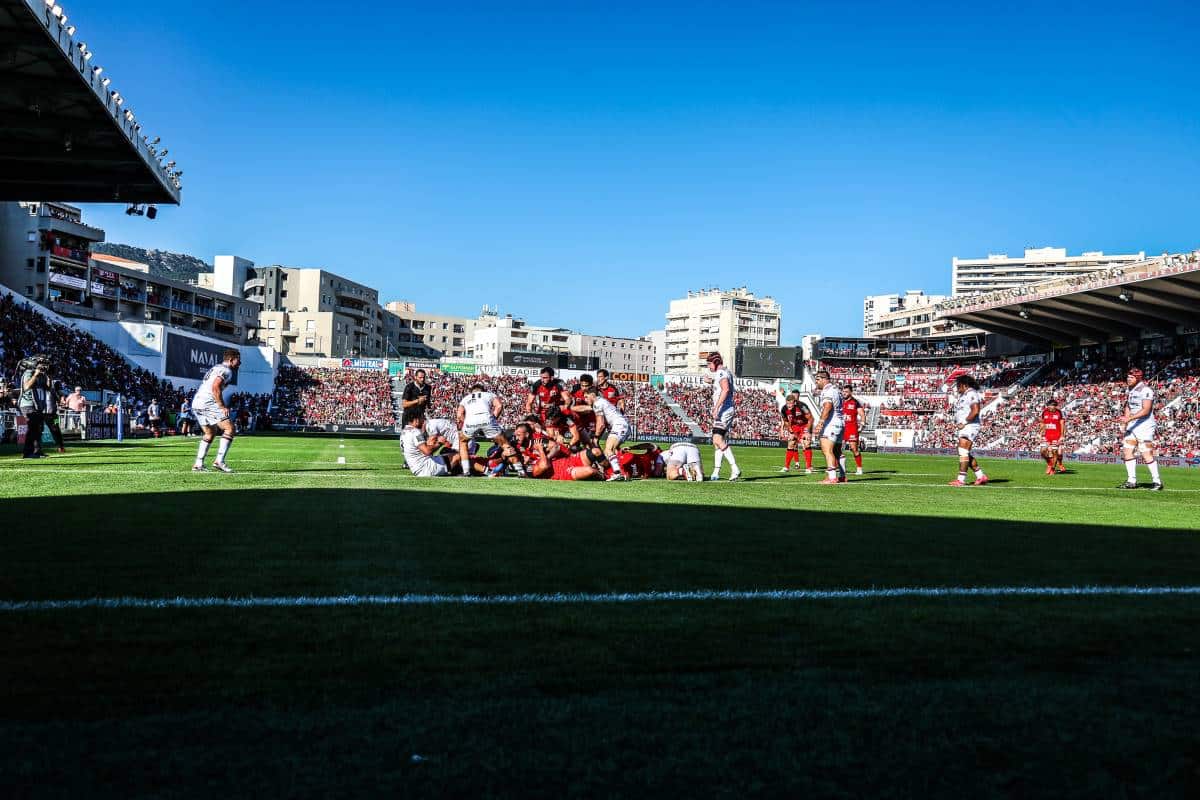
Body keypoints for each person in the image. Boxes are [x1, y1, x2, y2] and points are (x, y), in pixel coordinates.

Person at [457, 382, 526, 477]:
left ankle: (466, 471)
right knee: (505, 444)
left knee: (463, 442)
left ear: (472, 392)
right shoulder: (488, 394)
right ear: (483, 390)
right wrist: (493, 418)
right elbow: (499, 406)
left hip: (470, 421)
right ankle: (520, 470)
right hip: (487, 419)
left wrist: (467, 424)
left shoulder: (466, 398)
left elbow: (459, 414)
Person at [191, 349, 241, 473]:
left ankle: (198, 464)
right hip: (208, 402)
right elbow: (215, 387)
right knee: (230, 428)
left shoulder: (216, 367)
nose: (240, 363)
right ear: (231, 360)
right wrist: (222, 406)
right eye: (238, 360)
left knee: (210, 433)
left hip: (197, 402)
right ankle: (219, 461)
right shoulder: (226, 370)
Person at [1117, 367, 1162, 490]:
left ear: (1138, 378)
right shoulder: (1130, 389)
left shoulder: (1146, 390)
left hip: (1145, 425)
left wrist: (1129, 419)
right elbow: (1128, 406)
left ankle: (1157, 482)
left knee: (1146, 453)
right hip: (1132, 425)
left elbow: (1146, 410)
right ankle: (1131, 481)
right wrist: (1126, 421)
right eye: (1128, 377)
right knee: (1127, 451)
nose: (1128, 379)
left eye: (1131, 377)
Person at [706, 352, 740, 481]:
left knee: (717, 439)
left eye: (709, 363)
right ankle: (716, 472)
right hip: (726, 409)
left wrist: (716, 407)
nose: (709, 366)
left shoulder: (721, 373)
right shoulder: (726, 372)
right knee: (718, 442)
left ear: (715, 363)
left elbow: (725, 389)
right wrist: (711, 381)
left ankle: (735, 468)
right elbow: (722, 386)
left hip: (724, 410)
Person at [949, 374, 988, 487]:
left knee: (963, 451)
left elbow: (975, 410)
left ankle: (961, 480)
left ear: (964, 385)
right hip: (967, 426)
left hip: (970, 426)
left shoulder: (971, 393)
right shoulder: (964, 395)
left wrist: (964, 422)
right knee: (963, 452)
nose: (957, 388)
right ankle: (981, 476)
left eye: (958, 385)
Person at [585, 386, 632, 481]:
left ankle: (618, 473)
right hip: (622, 425)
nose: (585, 399)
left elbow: (601, 423)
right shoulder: (602, 401)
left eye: (586, 397)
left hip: (619, 425)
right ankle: (620, 472)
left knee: (609, 449)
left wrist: (596, 437)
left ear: (592, 395)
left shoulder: (597, 403)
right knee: (609, 451)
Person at [812, 370, 845, 485]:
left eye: (818, 379)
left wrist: (820, 423)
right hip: (840, 423)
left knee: (827, 450)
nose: (816, 382)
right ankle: (842, 476)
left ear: (825, 379)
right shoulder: (836, 390)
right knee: (837, 451)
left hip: (831, 424)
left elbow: (827, 406)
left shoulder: (828, 391)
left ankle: (832, 477)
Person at [400, 410, 457, 477]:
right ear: (416, 420)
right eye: (422, 419)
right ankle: (458, 472)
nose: (423, 421)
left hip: (417, 469)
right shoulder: (415, 432)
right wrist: (440, 443)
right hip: (427, 468)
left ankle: (450, 470)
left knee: (445, 454)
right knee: (457, 456)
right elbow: (427, 451)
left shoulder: (404, 432)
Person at [18, 355, 50, 459]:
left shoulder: (42, 375)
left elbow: (48, 388)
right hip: (27, 403)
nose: (44, 366)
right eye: (42, 363)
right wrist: (35, 375)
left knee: (39, 428)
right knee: (33, 428)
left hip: (37, 404)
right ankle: (27, 452)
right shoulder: (28, 373)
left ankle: (37, 451)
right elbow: (26, 386)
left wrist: (49, 376)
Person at [779, 393, 813, 473]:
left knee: (806, 443)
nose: (789, 406)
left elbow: (810, 418)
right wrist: (789, 428)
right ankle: (786, 467)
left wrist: (807, 431)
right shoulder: (784, 409)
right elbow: (785, 421)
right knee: (791, 443)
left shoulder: (802, 406)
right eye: (787, 404)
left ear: (794, 402)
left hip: (804, 425)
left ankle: (808, 467)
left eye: (790, 403)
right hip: (794, 426)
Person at [840, 386, 865, 476]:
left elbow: (862, 414)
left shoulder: (855, 402)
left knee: (854, 448)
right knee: (837, 449)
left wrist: (862, 425)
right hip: (841, 428)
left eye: (846, 391)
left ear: (851, 392)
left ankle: (859, 468)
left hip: (852, 428)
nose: (844, 393)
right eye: (843, 391)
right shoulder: (840, 401)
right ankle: (840, 467)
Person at [1040, 397, 1067, 475]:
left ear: (1055, 406)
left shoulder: (1059, 413)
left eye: (1053, 406)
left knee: (1055, 452)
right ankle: (1049, 463)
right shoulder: (1044, 412)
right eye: (1050, 405)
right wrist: (1040, 433)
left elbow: (1062, 424)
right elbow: (1042, 423)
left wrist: (1062, 436)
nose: (1051, 407)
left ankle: (1052, 468)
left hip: (1056, 436)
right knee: (1042, 452)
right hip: (1047, 435)